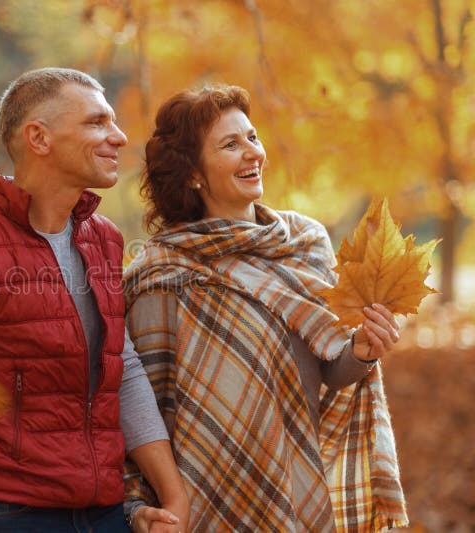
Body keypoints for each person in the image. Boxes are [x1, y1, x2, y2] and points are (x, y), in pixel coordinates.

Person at [0, 68, 189, 533]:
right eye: (96, 122)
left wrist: (172, 496)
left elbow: (122, 368)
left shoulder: (104, 239)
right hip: (5, 514)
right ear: (39, 138)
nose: (119, 136)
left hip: (103, 513)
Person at [122, 85, 409, 532]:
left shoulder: (305, 242)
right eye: (230, 144)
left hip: (294, 483)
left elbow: (328, 372)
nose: (252, 153)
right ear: (193, 172)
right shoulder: (163, 271)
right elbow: (143, 404)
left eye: (252, 137)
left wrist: (363, 350)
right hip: (203, 495)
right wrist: (137, 505)